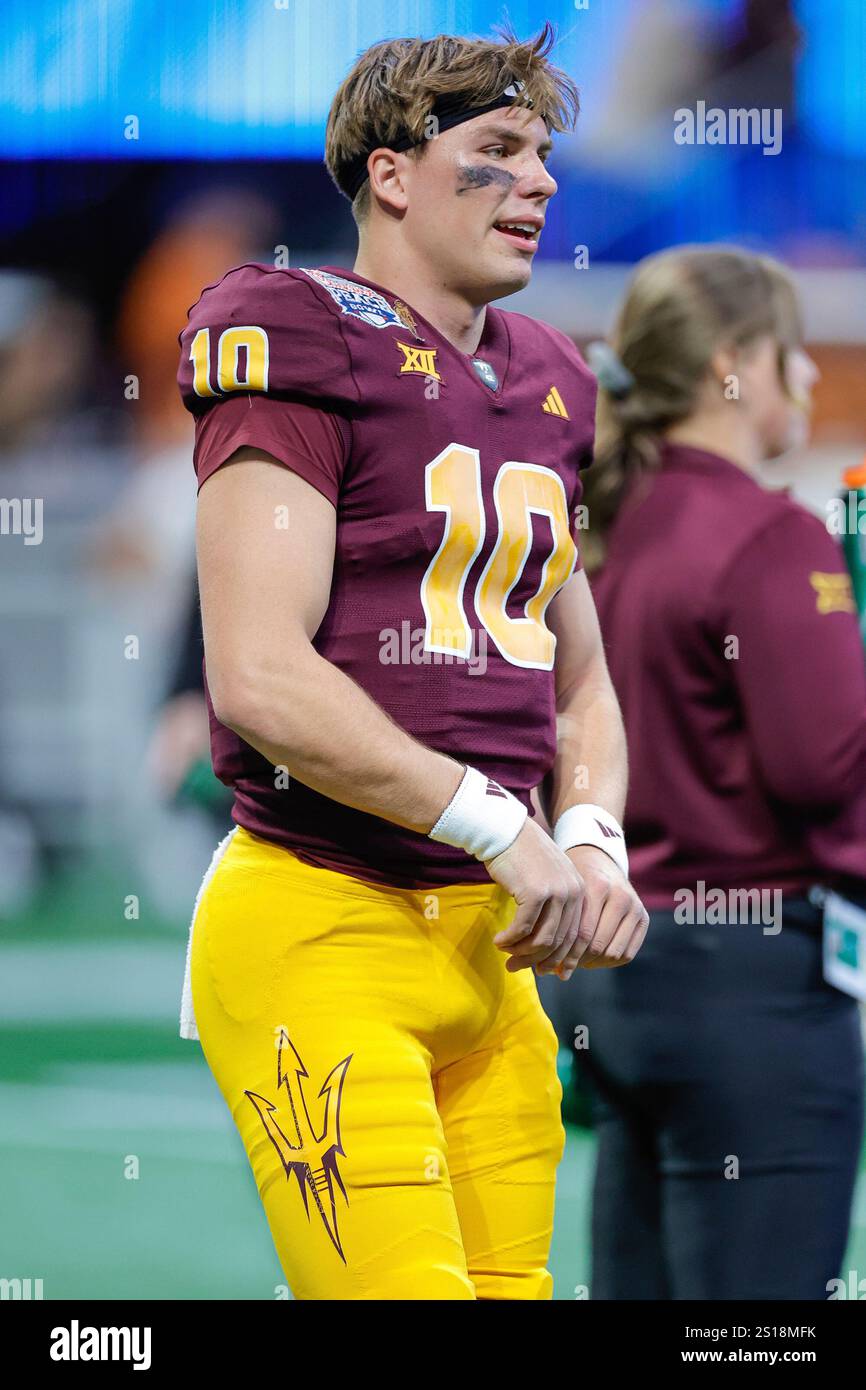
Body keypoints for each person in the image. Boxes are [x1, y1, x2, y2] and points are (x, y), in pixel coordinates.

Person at [175, 26, 648, 1301]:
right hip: (323, 914)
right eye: (494, 152)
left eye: (541, 154)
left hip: (491, 960)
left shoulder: (550, 378)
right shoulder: (293, 327)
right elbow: (262, 679)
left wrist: (591, 834)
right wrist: (505, 821)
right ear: (391, 175)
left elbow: (580, 672)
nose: (537, 183)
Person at [547, 245, 866, 1301]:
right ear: (734, 362)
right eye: (788, 352)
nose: (810, 377)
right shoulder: (768, 534)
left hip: (613, 971)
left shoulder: (603, 523)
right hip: (749, 991)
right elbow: (822, 767)